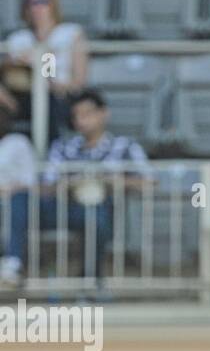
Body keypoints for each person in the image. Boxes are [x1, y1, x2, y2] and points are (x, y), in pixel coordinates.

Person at [41, 89, 150, 284]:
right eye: (76, 115)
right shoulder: (63, 146)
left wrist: (110, 180)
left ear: (103, 113)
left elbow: (149, 181)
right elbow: (47, 184)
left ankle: (90, 278)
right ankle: (12, 267)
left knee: (96, 215)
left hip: (105, 208)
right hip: (66, 207)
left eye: (87, 114)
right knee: (22, 202)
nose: (81, 120)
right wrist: (69, 184)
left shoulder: (125, 146)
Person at [0, 0, 89, 138]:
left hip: (58, 98)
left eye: (42, 0)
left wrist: (38, 67)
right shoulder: (18, 39)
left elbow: (77, 83)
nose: (37, 7)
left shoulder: (70, 33)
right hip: (21, 97)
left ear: (53, 3)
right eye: (31, 1)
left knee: (47, 102)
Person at [0, 105, 36, 285]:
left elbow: (29, 180)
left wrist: (7, 189)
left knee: (16, 201)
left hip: (14, 197)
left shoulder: (18, 141)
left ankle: (11, 264)